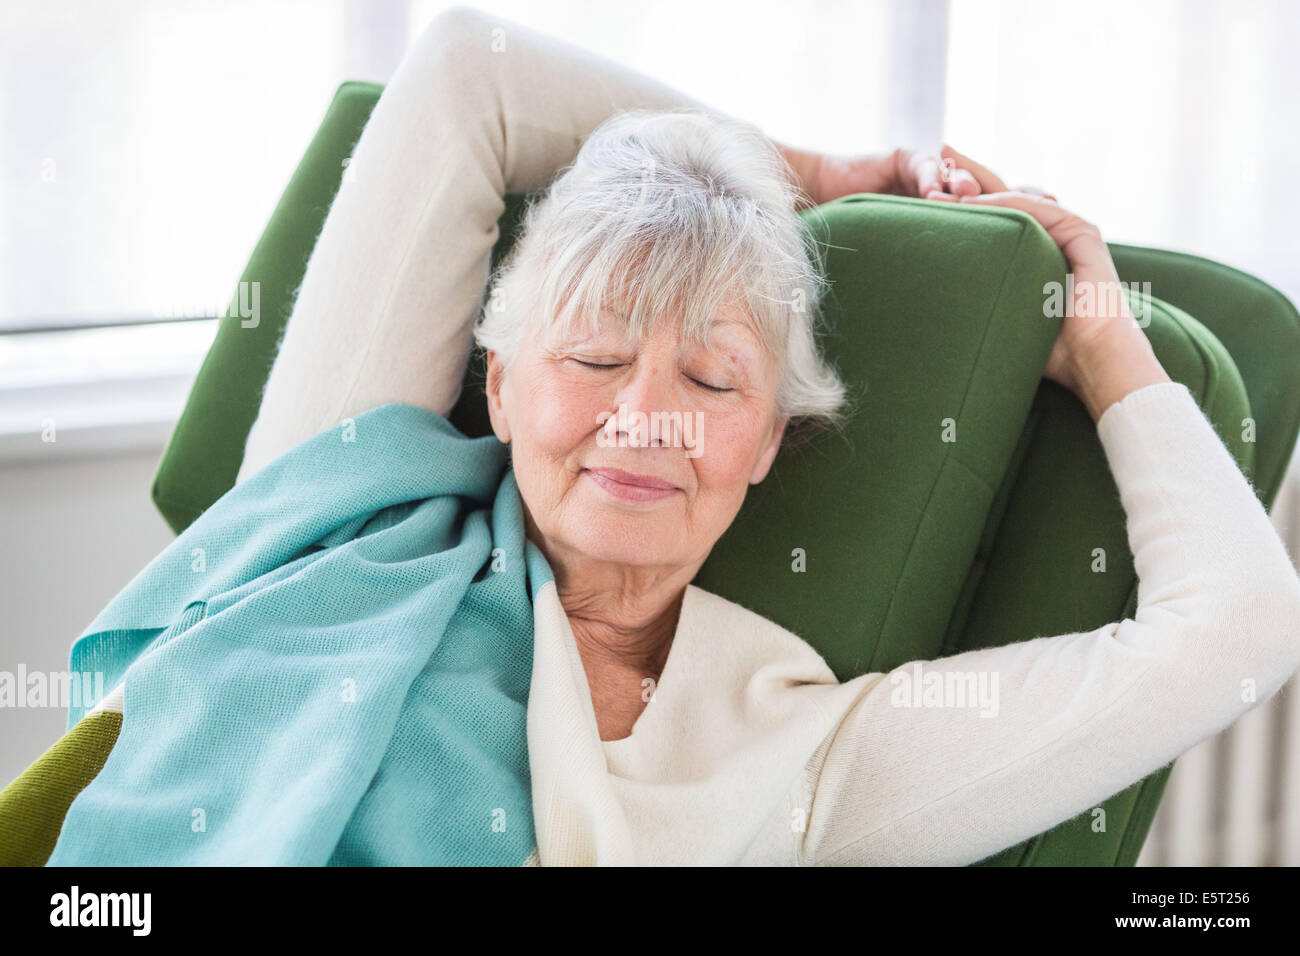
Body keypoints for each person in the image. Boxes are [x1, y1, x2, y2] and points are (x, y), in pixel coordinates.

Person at [31, 5, 1300, 866]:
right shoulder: (345, 502)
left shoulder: (787, 752)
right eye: (590, 358)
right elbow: (472, 74)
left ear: (767, 441)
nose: (642, 415)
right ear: (501, 380)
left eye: (709, 376)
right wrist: (814, 168)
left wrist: (1094, 340)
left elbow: (1236, 632)